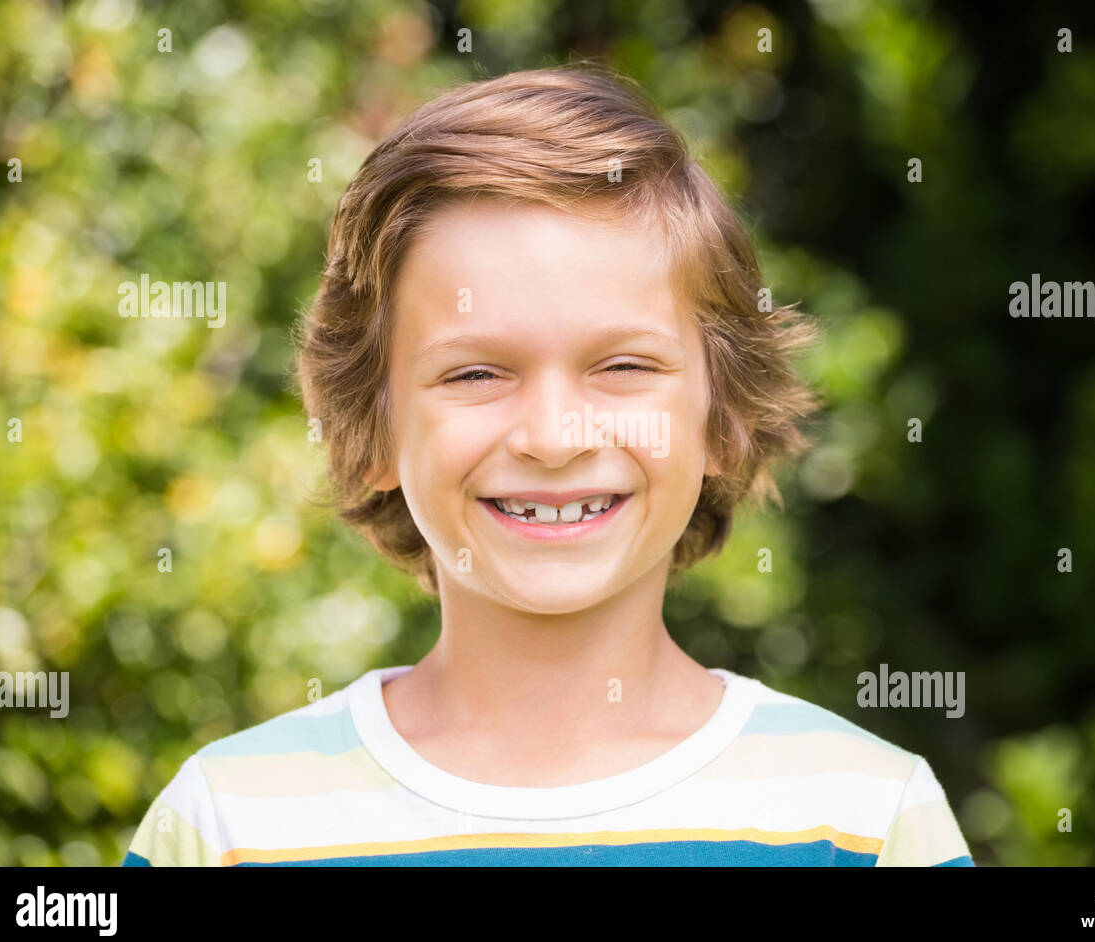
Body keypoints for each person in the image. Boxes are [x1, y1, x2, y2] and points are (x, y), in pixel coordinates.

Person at [123, 66, 973, 866]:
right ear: (371, 430)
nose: (554, 436)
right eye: (475, 373)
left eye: (624, 367)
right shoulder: (229, 824)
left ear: (721, 417)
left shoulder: (864, 823)